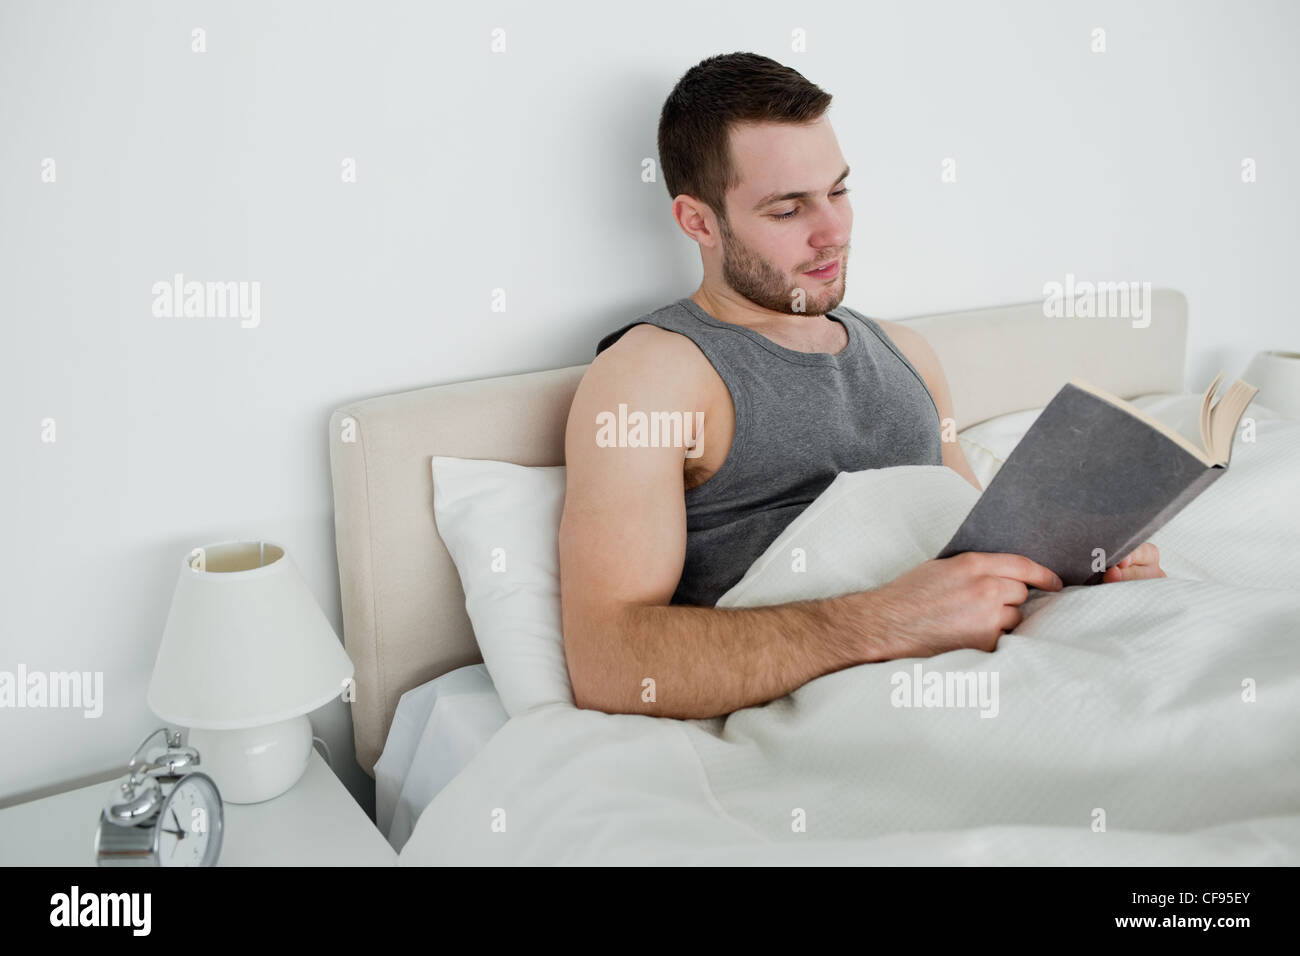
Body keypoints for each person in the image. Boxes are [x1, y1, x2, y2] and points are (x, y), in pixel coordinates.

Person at [559, 52, 1164, 720]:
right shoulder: (654, 376)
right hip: (857, 709)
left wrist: (1083, 569)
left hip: (999, 670)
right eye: (788, 209)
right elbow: (609, 663)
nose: (833, 232)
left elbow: (975, 558)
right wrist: (885, 622)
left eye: (838, 192)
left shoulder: (907, 354)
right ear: (699, 222)